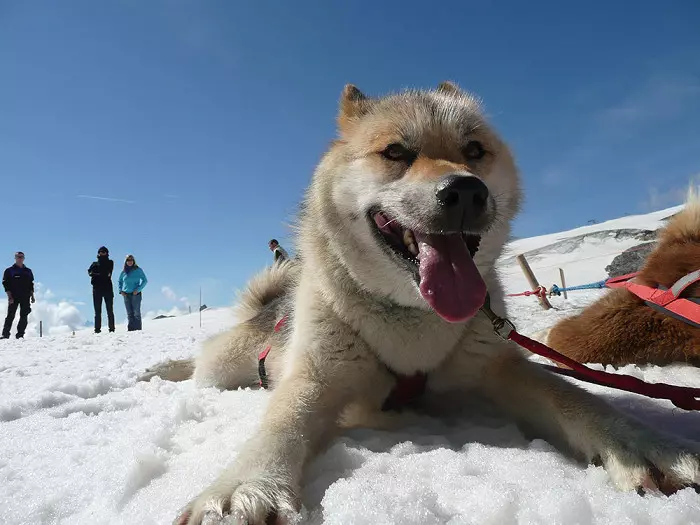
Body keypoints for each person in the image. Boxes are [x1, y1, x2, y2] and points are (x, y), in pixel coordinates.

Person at [2, 251, 35, 339]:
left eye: (21, 257)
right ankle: (5, 335)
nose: (20, 258)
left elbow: (31, 284)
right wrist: (10, 297)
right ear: (15, 258)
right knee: (10, 315)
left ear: (24, 258)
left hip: (25, 296)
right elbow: (6, 284)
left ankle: (20, 335)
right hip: (13, 297)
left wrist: (32, 296)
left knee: (24, 316)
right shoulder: (9, 271)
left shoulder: (28, 271)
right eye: (18, 257)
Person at [88, 246, 115, 333]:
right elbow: (89, 272)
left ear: (107, 253)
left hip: (107, 289)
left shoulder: (110, 262)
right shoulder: (94, 264)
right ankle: (97, 330)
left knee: (110, 310)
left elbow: (106, 272)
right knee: (97, 312)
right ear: (98, 253)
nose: (102, 253)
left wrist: (95, 274)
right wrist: (97, 274)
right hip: (97, 290)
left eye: (104, 252)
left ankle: (111, 329)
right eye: (100, 252)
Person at [117, 254, 148, 331]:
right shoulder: (124, 271)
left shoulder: (138, 270)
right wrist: (121, 290)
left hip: (135, 294)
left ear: (134, 261)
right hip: (126, 294)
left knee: (136, 313)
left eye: (131, 260)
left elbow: (145, 281)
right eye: (128, 260)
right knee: (129, 314)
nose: (129, 261)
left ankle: (138, 331)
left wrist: (138, 289)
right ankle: (130, 331)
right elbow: (120, 281)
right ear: (126, 261)